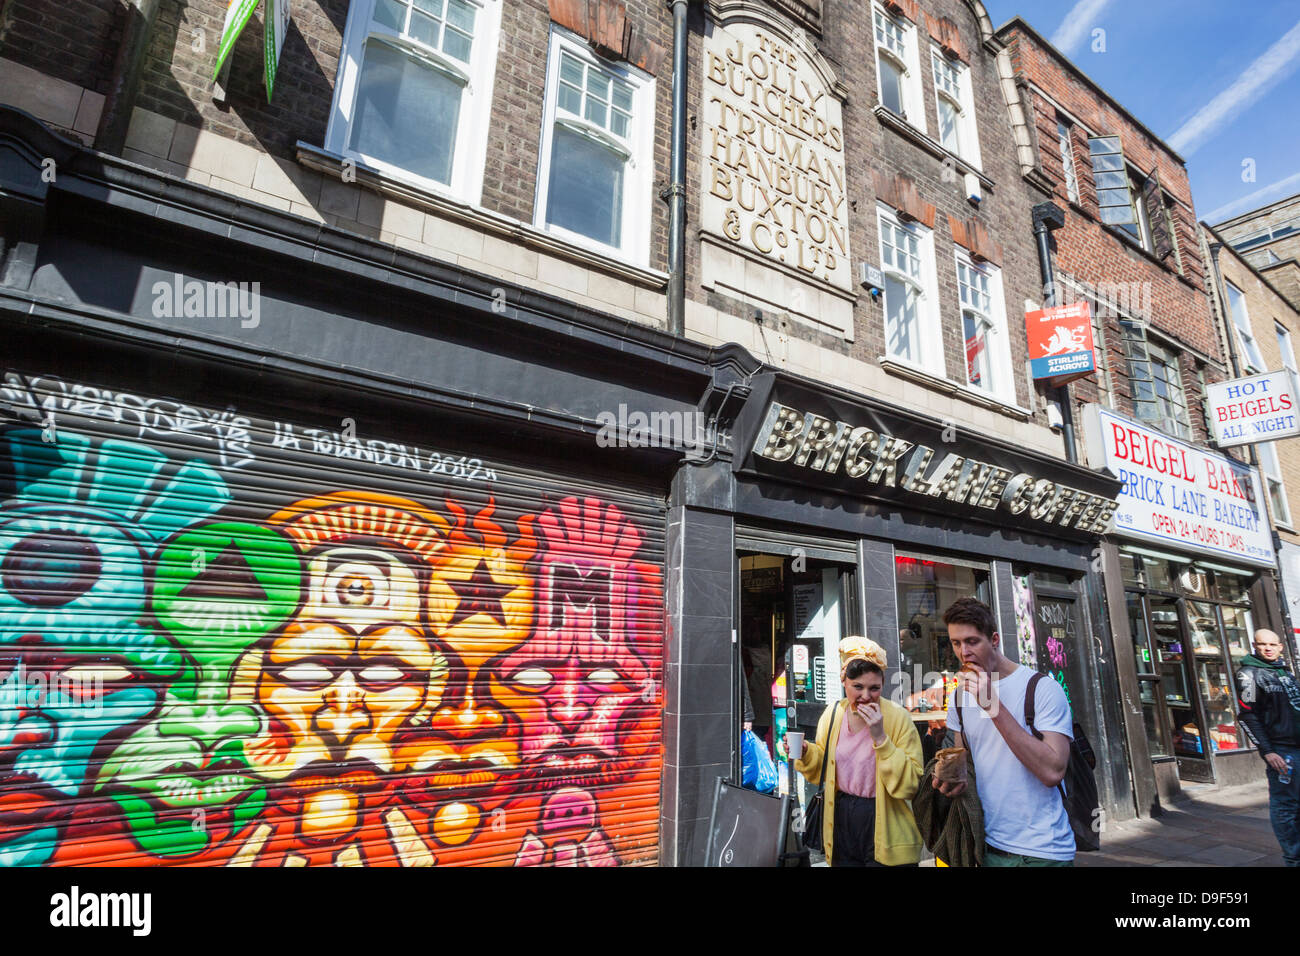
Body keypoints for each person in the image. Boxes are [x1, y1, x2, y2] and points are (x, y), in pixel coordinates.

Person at [936, 597, 1074, 867]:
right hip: (987, 847)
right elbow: (968, 767)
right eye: (956, 643)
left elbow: (1053, 771)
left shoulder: (1041, 688)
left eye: (972, 641)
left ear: (995, 639)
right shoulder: (959, 698)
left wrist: (992, 705)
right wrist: (951, 778)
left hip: (1041, 850)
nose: (964, 652)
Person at [785, 636, 924, 867]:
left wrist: (880, 737)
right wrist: (807, 752)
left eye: (874, 688)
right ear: (844, 681)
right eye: (857, 687)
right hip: (841, 819)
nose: (866, 696)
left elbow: (911, 785)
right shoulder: (833, 714)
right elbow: (823, 769)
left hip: (887, 824)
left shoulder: (898, 717)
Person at [1235, 628, 1300, 866]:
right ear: (1255, 645)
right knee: (1286, 806)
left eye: (1273, 644)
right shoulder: (1248, 674)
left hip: (1297, 747)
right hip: (1283, 751)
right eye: (1263, 645)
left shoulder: (1283, 671)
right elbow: (1247, 716)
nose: (1268, 649)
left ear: (1281, 646)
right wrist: (1268, 751)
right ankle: (1294, 858)